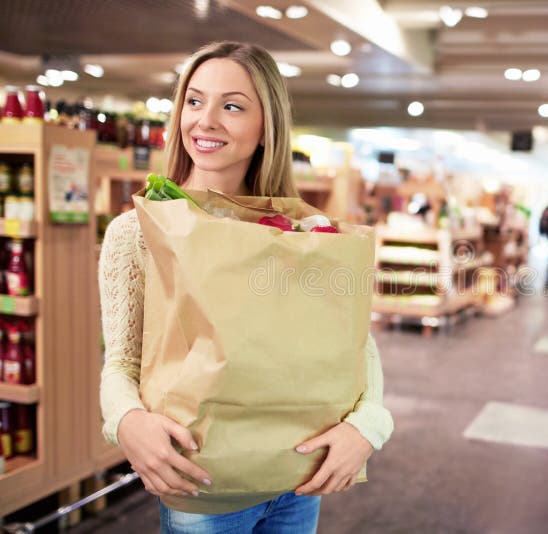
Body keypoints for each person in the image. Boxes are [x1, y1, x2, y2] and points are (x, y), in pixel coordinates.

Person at [98, 42, 393, 534]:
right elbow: (121, 362)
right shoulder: (138, 232)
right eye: (194, 101)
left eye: (232, 106)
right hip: (203, 485)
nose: (206, 120)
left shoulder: (301, 232)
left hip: (298, 479)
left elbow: (354, 346)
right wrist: (127, 420)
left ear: (266, 128)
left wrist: (369, 426)